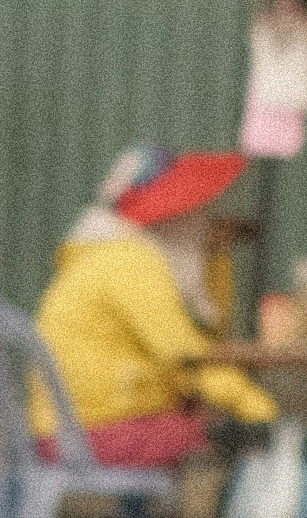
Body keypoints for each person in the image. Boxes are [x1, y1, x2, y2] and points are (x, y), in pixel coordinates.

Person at [30, 142, 277, 474]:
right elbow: (188, 357)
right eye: (197, 213)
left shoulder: (107, 252)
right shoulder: (132, 263)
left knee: (223, 423)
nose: (203, 223)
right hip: (91, 433)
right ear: (170, 218)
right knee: (245, 434)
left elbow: (201, 342)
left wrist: (216, 257)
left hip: (71, 425)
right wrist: (263, 412)